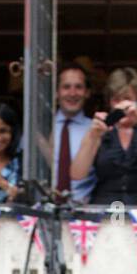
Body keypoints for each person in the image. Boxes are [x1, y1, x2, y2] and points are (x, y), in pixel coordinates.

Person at [69, 67, 137, 208]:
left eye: (127, 99)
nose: (121, 106)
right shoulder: (101, 129)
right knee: (114, 228)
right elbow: (77, 174)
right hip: (106, 210)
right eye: (116, 100)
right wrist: (93, 136)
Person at [51, 64, 98, 201]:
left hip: (84, 211)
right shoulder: (41, 129)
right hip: (42, 210)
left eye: (78, 87)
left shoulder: (96, 130)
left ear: (87, 92)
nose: (72, 93)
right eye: (66, 87)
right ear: (56, 92)